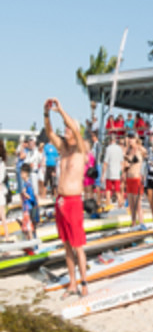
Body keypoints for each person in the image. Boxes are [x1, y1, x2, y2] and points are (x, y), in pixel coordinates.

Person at [43, 99, 90, 295]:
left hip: (73, 202)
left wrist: (61, 109)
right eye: (65, 128)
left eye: (68, 128)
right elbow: (49, 133)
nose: (66, 130)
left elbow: (73, 127)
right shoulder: (63, 148)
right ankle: (72, 283)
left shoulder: (80, 148)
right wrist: (46, 113)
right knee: (67, 246)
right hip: (60, 201)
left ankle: (84, 283)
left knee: (78, 245)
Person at [123, 137, 145, 228]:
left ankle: (141, 223)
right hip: (129, 179)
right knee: (131, 205)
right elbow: (125, 165)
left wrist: (138, 145)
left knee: (138, 205)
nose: (130, 140)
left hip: (136, 179)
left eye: (132, 138)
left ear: (136, 139)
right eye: (129, 138)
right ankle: (133, 223)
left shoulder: (140, 149)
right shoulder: (128, 150)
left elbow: (146, 154)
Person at [102, 135, 124, 205]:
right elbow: (122, 162)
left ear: (110, 141)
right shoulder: (119, 149)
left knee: (108, 190)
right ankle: (120, 203)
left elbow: (105, 162)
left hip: (110, 172)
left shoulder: (108, 149)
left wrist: (103, 175)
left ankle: (108, 204)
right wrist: (121, 173)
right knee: (117, 190)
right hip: (117, 172)